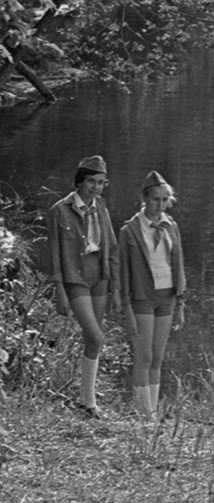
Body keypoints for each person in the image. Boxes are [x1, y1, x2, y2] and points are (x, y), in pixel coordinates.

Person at [47, 155, 117, 418]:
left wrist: (116, 287)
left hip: (99, 275)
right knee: (98, 336)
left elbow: (112, 246)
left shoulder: (101, 207)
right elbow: (54, 257)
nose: (96, 188)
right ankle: (89, 402)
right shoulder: (59, 210)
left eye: (101, 183)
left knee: (92, 341)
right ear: (80, 181)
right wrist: (59, 292)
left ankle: (85, 403)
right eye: (91, 182)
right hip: (75, 278)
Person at [117, 171, 185, 421]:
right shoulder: (130, 231)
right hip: (142, 298)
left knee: (157, 358)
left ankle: (152, 414)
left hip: (167, 297)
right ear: (144, 199)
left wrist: (180, 303)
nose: (161, 204)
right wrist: (126, 308)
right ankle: (142, 414)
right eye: (156, 199)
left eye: (165, 199)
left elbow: (178, 264)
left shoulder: (171, 226)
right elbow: (123, 273)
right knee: (143, 357)